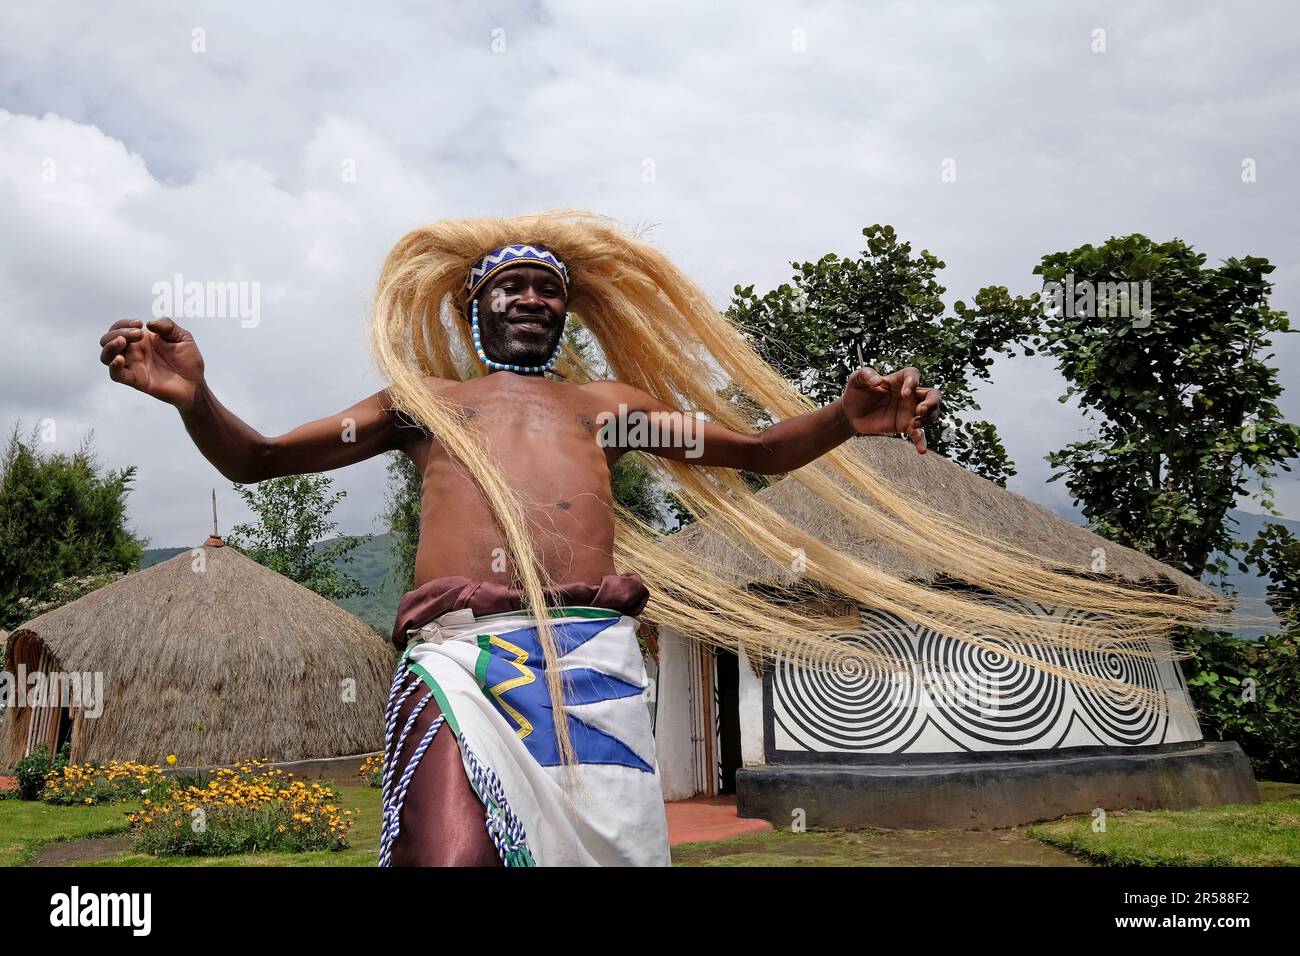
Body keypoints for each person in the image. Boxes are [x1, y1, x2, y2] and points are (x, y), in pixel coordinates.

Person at [98, 211, 1218, 865]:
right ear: (475, 307)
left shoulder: (610, 408)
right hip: (458, 658)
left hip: (588, 662)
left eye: (549, 290)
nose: (532, 300)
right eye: (513, 287)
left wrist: (844, 416)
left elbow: (754, 453)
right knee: (447, 855)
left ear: (566, 315)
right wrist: (195, 394)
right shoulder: (423, 401)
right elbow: (258, 461)